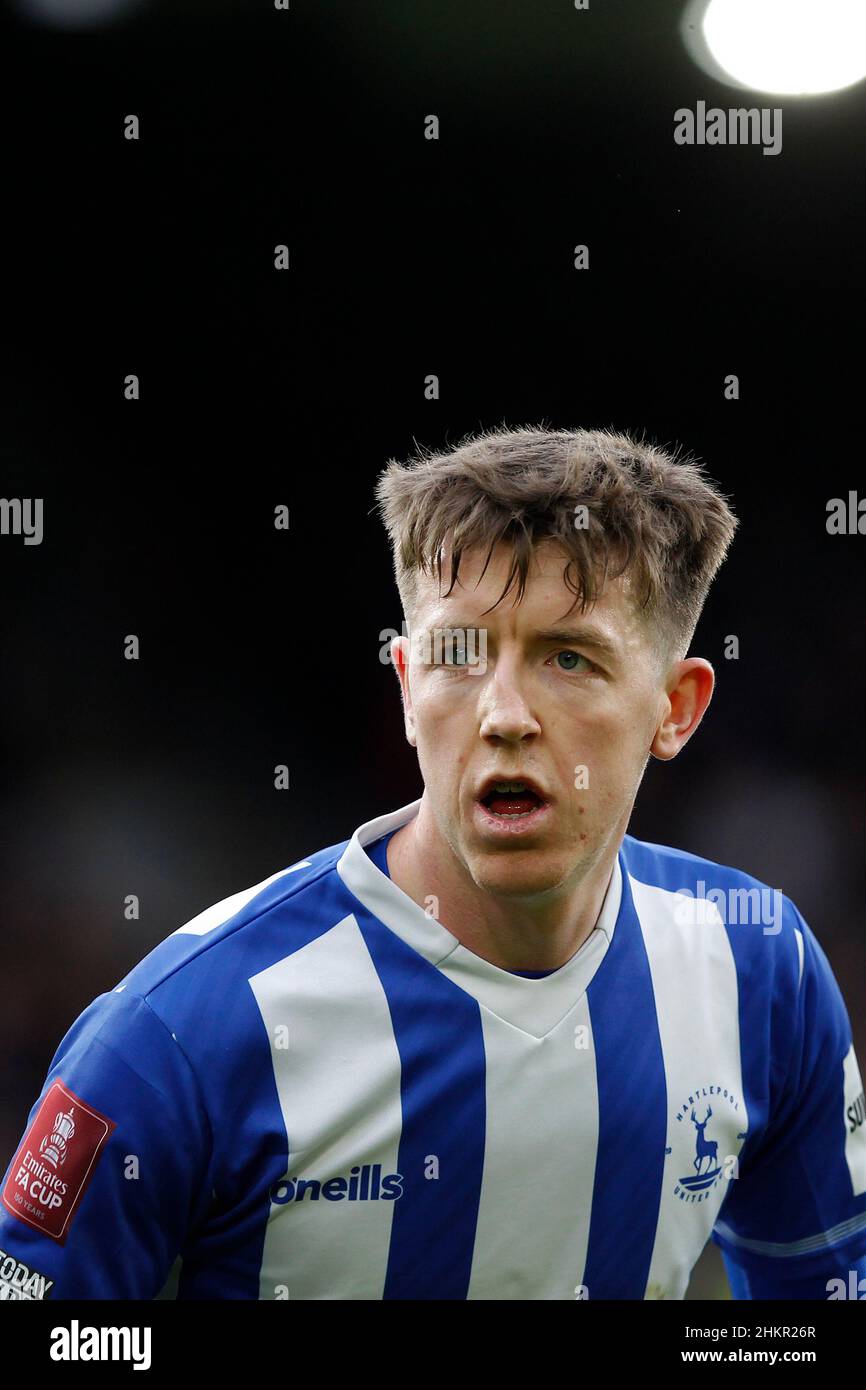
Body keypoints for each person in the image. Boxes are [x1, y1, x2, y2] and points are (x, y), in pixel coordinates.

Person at [2, 424, 865, 1301]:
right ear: (409, 687)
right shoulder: (181, 1031)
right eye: (459, 653)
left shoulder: (761, 973)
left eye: (569, 657)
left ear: (674, 709)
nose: (505, 715)